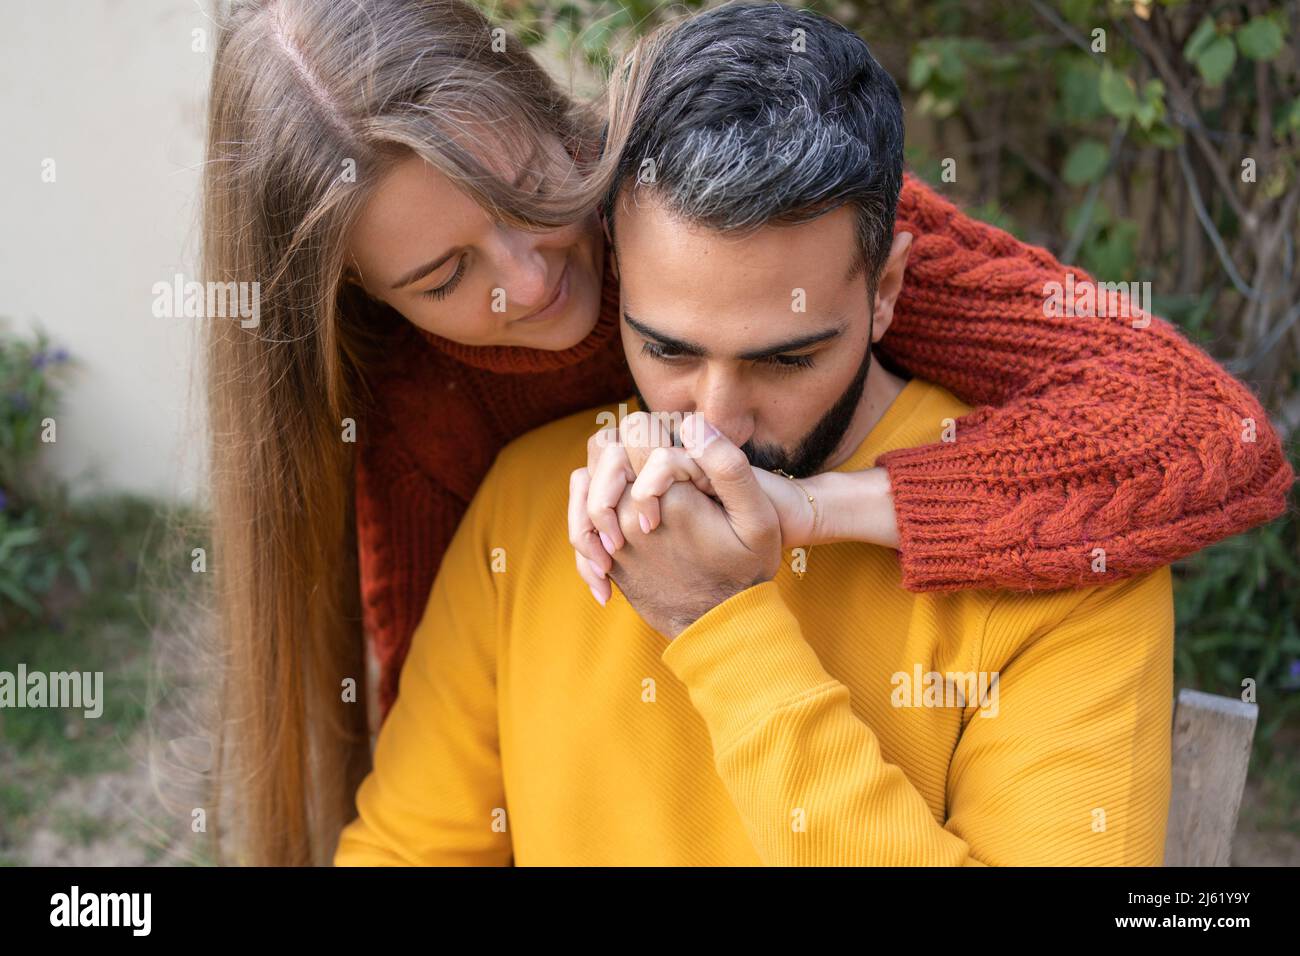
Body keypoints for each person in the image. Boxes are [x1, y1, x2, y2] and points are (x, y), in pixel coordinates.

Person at [200, 0, 1291, 865]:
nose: (710, 427)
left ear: (889, 290)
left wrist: (731, 612)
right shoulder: (512, 486)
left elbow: (1206, 429)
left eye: (784, 354)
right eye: (664, 347)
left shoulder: (1064, 548)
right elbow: (410, 843)